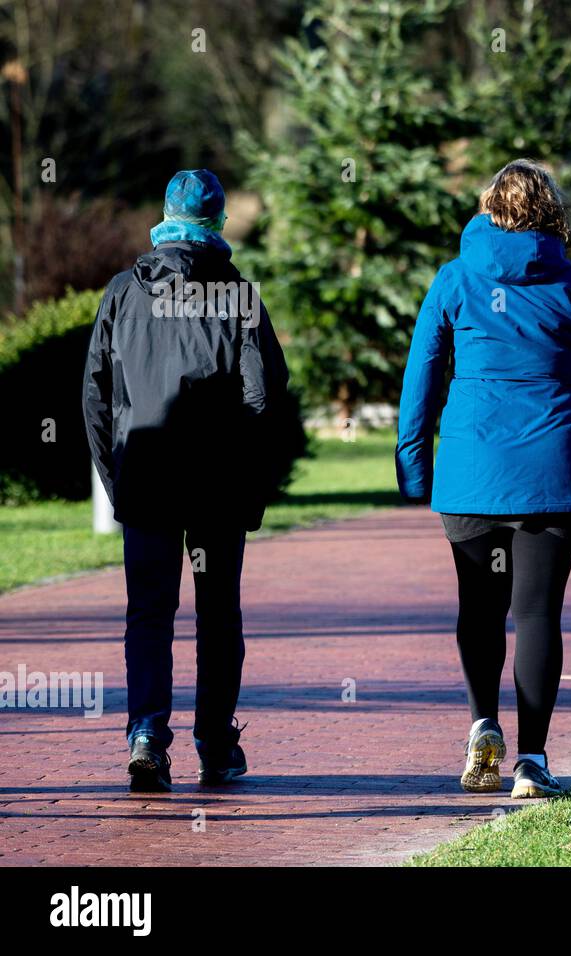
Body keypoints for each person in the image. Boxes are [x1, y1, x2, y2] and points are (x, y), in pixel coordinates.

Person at [395, 160, 571, 799]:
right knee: (538, 612)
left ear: (488, 209)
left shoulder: (455, 279)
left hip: (472, 467)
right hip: (552, 468)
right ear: (552, 214)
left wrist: (412, 463)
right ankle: (533, 760)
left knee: (479, 607)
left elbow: (422, 376)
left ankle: (483, 721)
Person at [82, 169, 289, 792]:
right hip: (218, 486)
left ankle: (147, 731)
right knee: (218, 615)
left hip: (147, 477)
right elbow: (263, 398)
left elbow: (94, 398)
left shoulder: (123, 292)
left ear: (165, 215)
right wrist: (250, 484)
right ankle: (216, 744)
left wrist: (117, 478)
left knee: (148, 613)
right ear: (219, 224)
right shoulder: (240, 297)